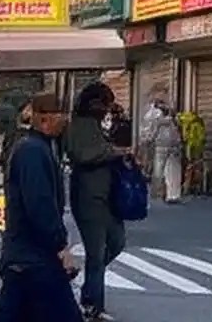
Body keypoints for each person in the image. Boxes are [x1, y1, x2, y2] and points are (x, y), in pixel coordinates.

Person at [0, 93, 82, 322]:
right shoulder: (32, 151)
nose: (65, 122)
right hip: (33, 259)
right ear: (45, 119)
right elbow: (39, 204)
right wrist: (60, 245)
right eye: (61, 116)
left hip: (26, 258)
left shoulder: (37, 148)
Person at [65, 82, 130, 321]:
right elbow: (83, 154)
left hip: (107, 197)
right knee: (96, 251)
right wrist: (115, 153)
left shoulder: (95, 125)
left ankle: (91, 287)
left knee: (117, 241)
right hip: (89, 197)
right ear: (94, 104)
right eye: (105, 104)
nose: (107, 109)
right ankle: (93, 303)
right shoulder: (78, 126)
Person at [148, 106, 183, 204]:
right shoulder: (174, 121)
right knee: (173, 171)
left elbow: (152, 133)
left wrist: (150, 140)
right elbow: (178, 134)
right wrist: (179, 144)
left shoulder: (158, 121)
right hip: (173, 147)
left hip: (160, 146)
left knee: (159, 170)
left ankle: (156, 192)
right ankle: (174, 194)